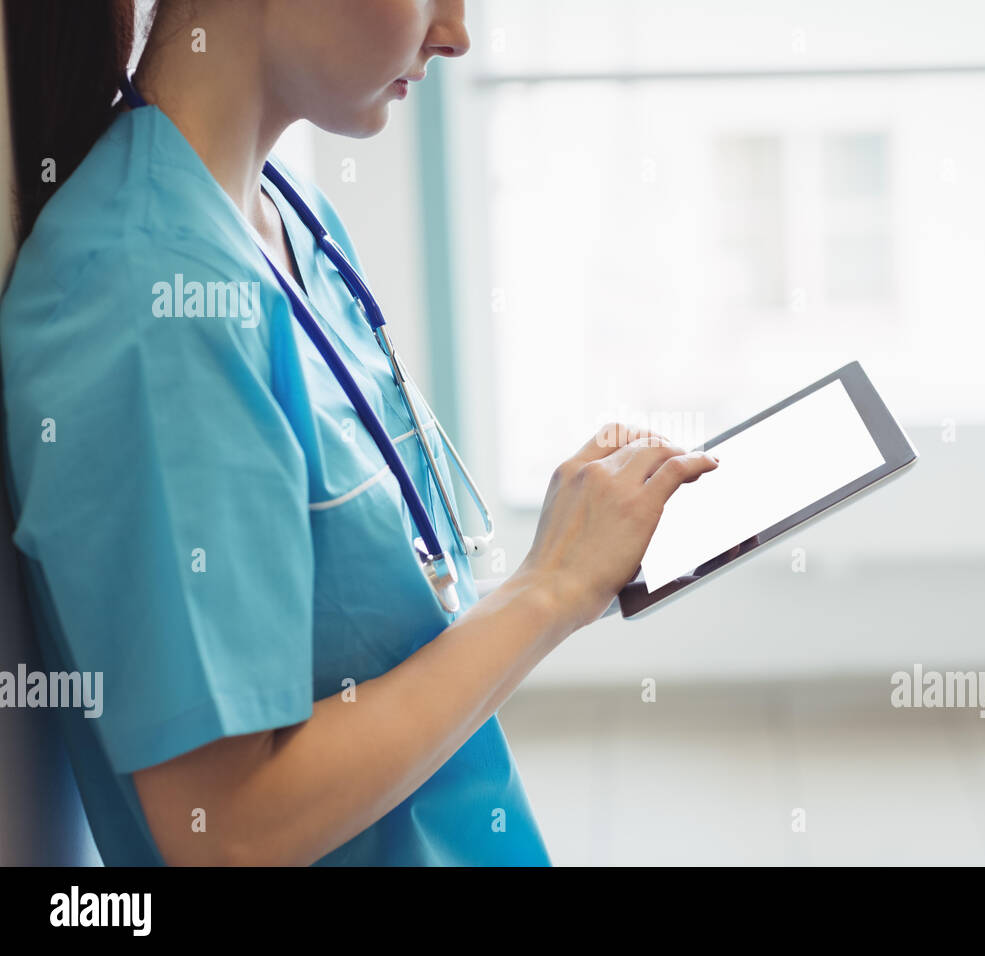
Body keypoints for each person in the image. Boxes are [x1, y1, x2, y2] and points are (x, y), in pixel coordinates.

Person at [0, 0, 718, 866]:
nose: (455, 33)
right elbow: (229, 829)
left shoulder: (286, 219)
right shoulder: (148, 302)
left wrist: (577, 550)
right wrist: (550, 590)